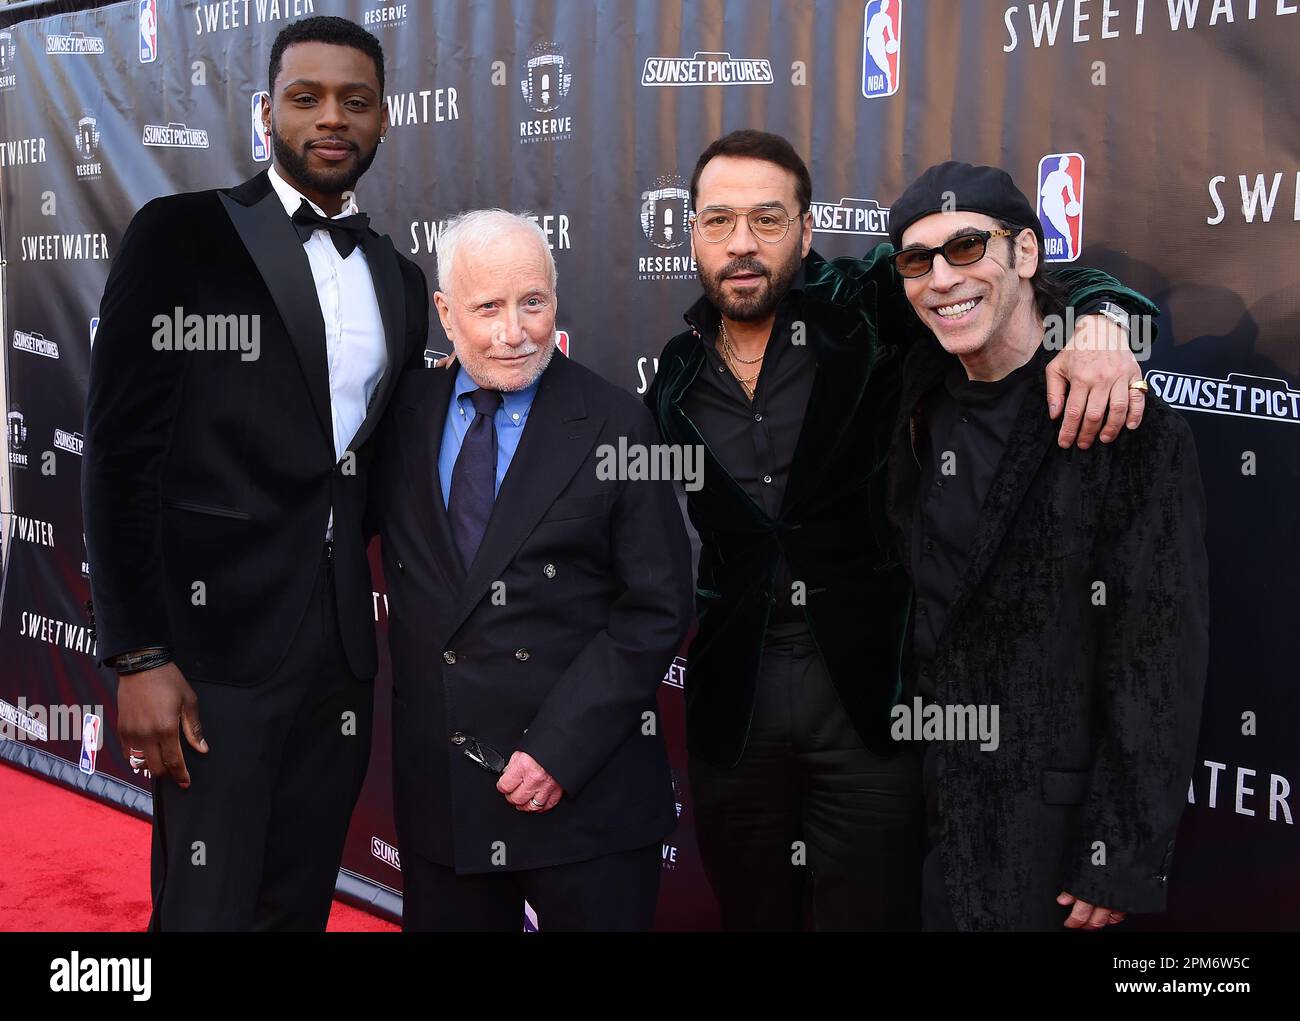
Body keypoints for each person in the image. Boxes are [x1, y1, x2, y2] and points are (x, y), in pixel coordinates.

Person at [644, 129, 1155, 931]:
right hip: (733, 706)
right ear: (693, 233)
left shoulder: (867, 304)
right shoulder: (673, 375)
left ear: (806, 231)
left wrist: (1101, 321)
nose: (741, 244)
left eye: (766, 221)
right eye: (718, 221)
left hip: (873, 702)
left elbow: (1031, 275)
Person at [82, 16, 428, 930]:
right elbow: (118, 455)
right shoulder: (181, 236)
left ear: (383, 119)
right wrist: (138, 653)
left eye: (354, 101)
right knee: (206, 907)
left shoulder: (399, 279)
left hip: (339, 656)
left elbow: (364, 474)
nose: (330, 118)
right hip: (209, 653)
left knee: (296, 903)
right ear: (265, 112)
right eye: (305, 96)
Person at [885, 160, 1209, 930]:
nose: (942, 278)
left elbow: (1158, 654)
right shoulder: (910, 392)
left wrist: (1120, 850)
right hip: (909, 814)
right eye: (916, 260)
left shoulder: (1129, 426)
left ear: (1026, 254)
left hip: (1043, 834)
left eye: (967, 248)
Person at [373, 209, 693, 931]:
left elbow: (656, 605)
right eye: (488, 308)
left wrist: (559, 748)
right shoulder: (403, 415)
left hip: (586, 796)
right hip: (445, 802)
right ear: (446, 313)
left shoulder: (616, 421)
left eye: (533, 303)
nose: (514, 332)